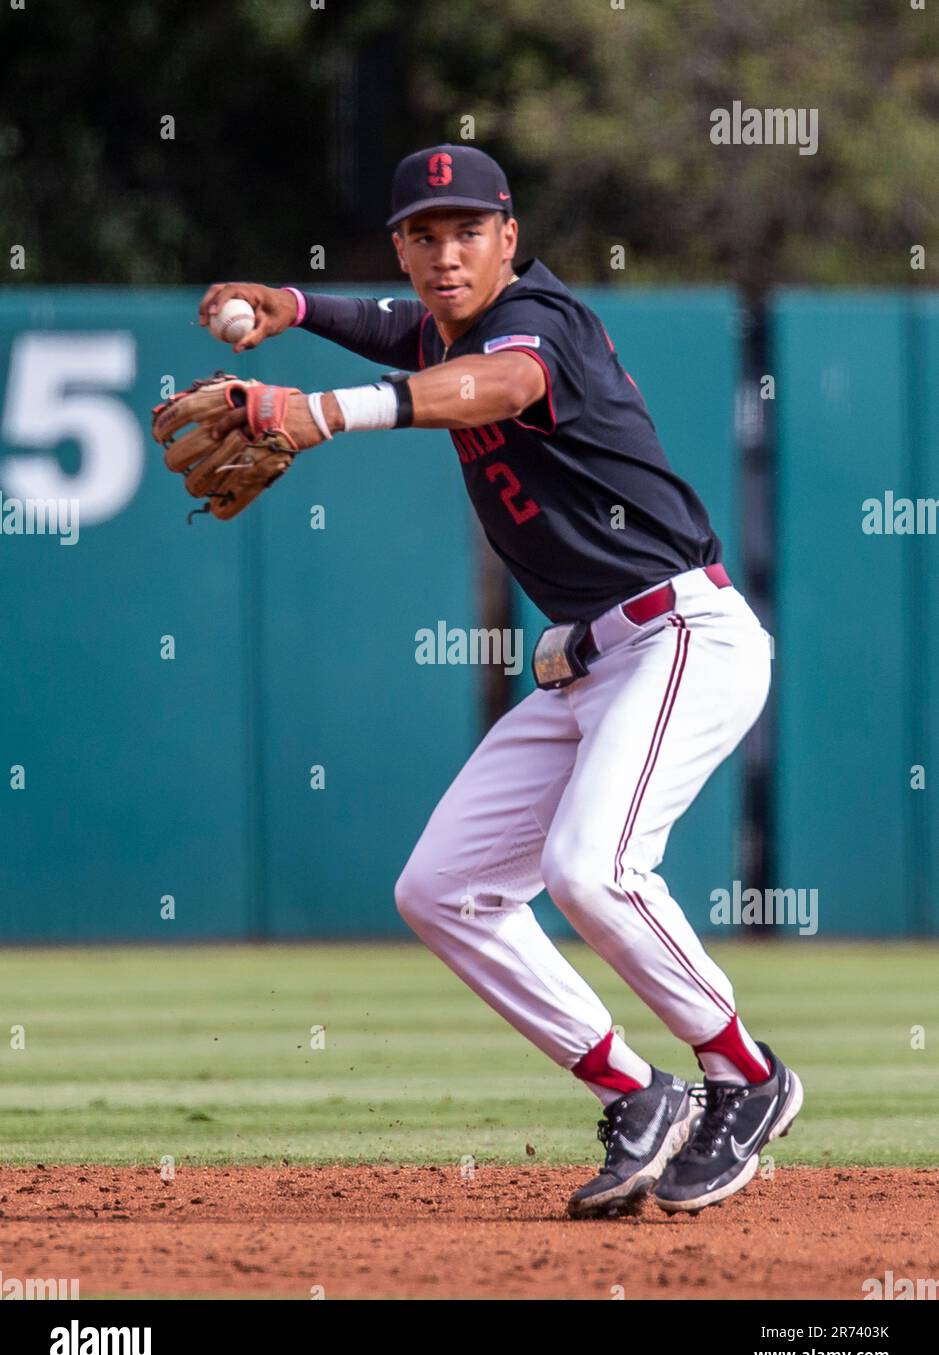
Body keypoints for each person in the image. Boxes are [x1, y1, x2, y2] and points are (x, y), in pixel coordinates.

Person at [202, 143, 803, 1217]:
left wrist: (321, 413)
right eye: (424, 236)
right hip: (591, 660)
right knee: (442, 889)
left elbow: (500, 384)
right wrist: (288, 301)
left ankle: (750, 1078)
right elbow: (392, 325)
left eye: (468, 231)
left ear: (509, 239)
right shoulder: (439, 321)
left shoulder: (538, 326)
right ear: (402, 245)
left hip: (683, 637)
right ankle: (637, 1091)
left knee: (592, 867)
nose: (446, 254)